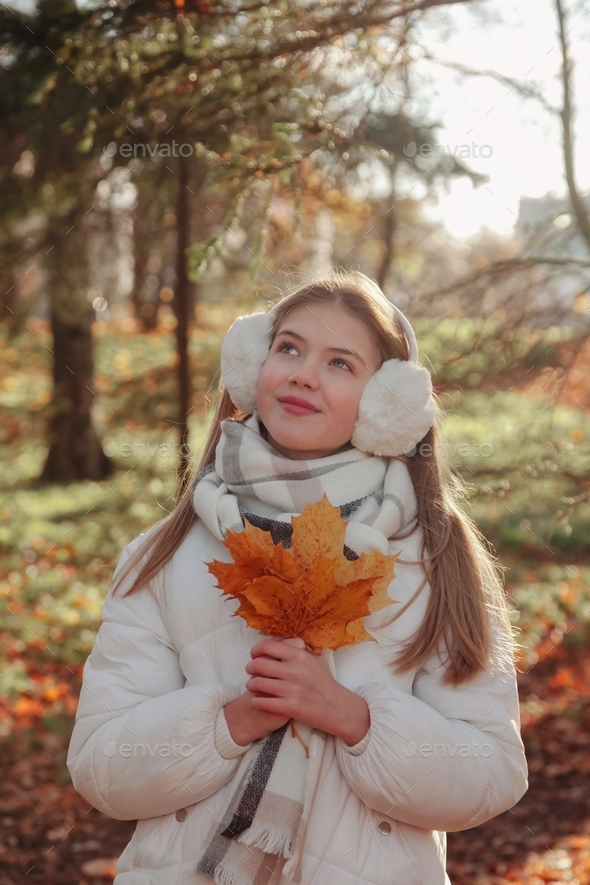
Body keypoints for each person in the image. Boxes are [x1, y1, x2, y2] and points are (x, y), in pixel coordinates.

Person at [66, 269, 528, 885]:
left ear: (386, 405)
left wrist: (353, 718)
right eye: (288, 348)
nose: (305, 374)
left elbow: (492, 771)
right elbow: (102, 768)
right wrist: (230, 722)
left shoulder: (436, 561)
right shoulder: (166, 555)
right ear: (252, 365)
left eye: (341, 363)